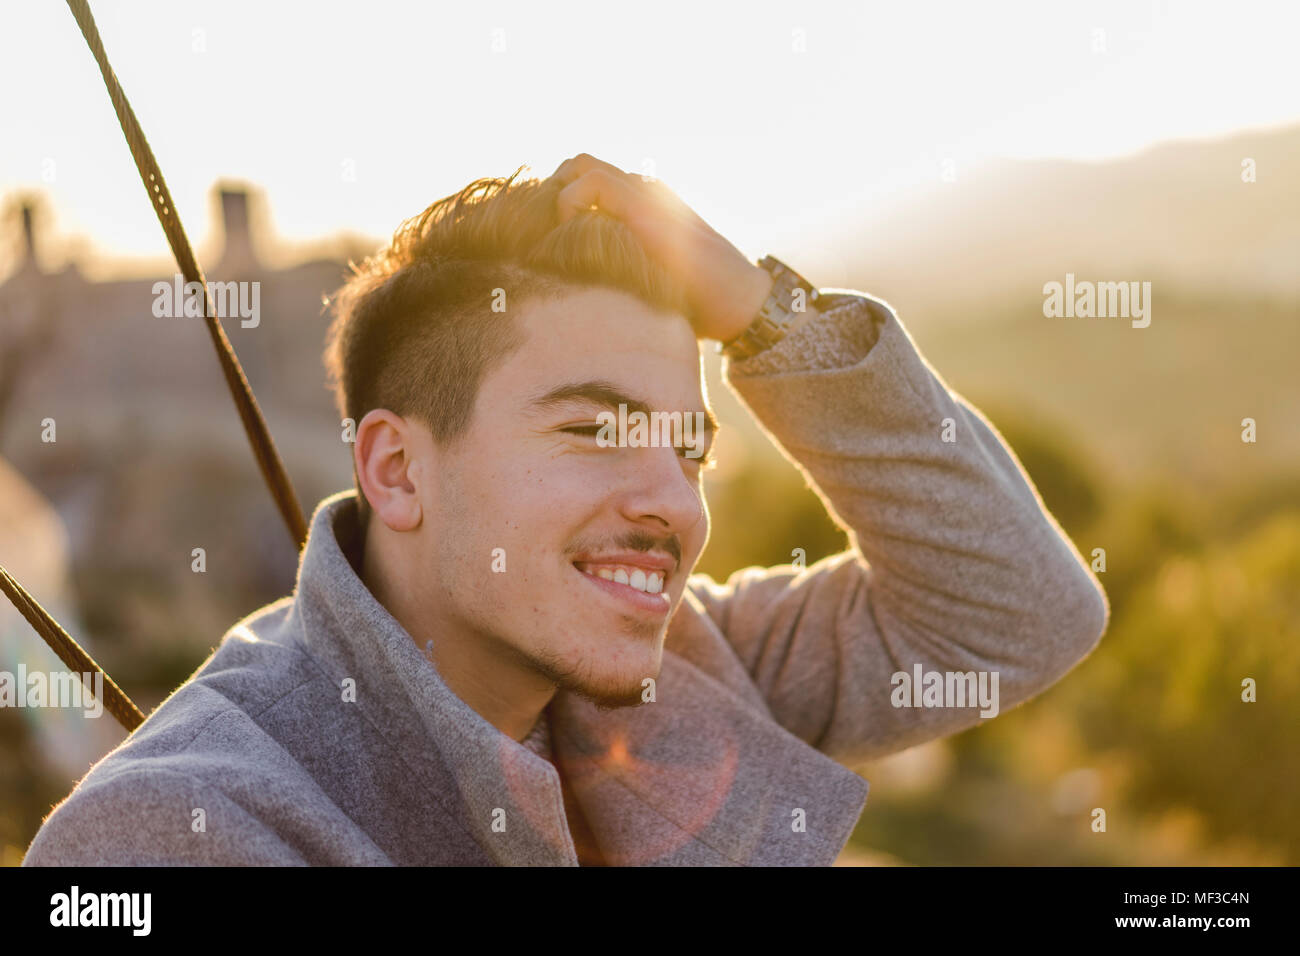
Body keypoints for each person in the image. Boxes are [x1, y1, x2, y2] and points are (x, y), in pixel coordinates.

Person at [23, 154, 1108, 866]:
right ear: (397, 470)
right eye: (592, 428)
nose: (669, 504)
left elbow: (1017, 610)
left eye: (691, 447)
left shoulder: (696, 669)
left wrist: (766, 317)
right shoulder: (178, 830)